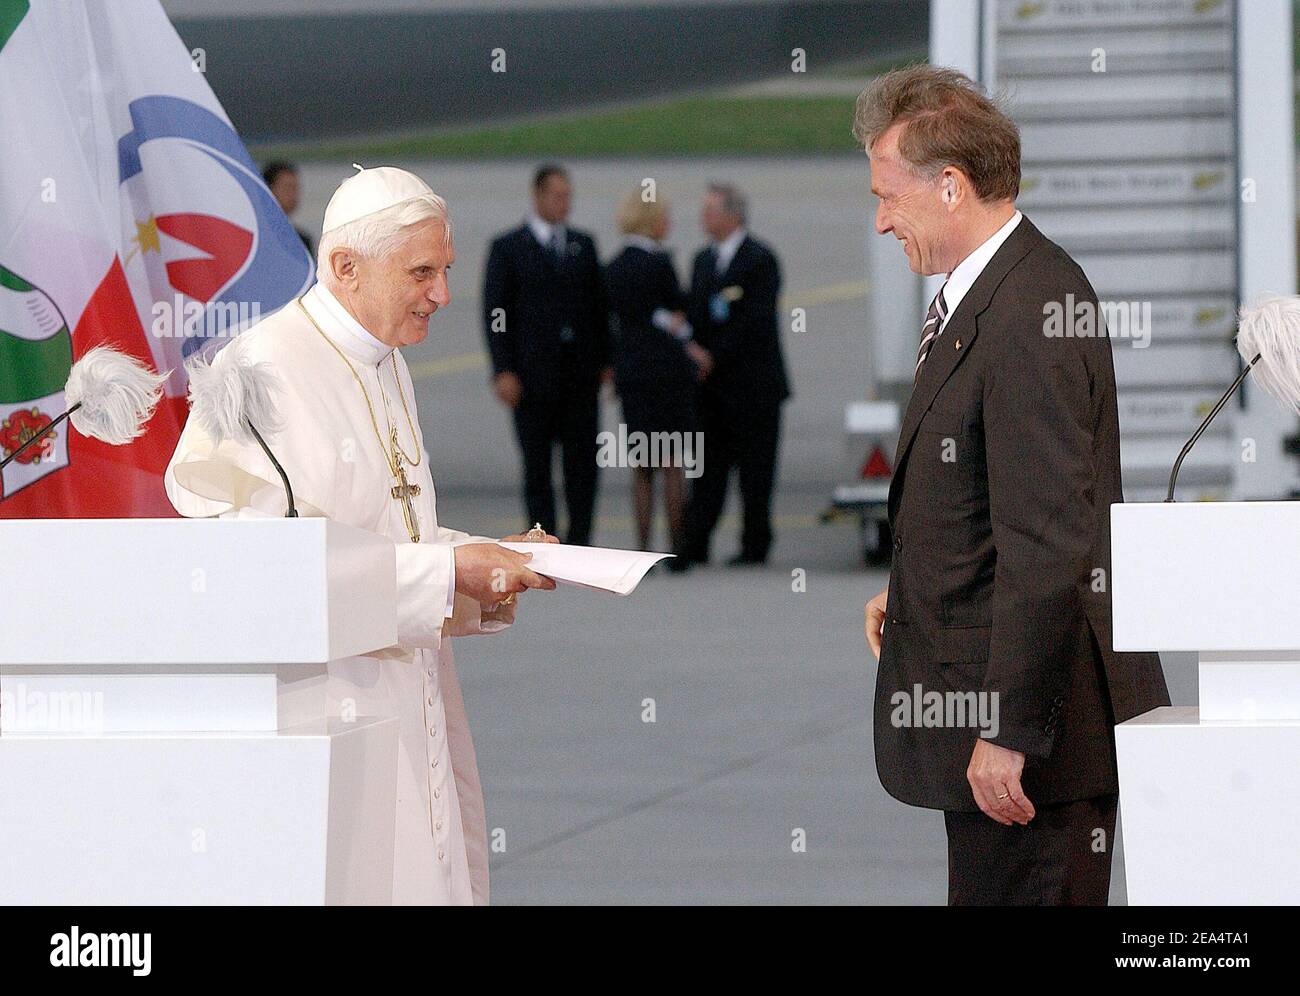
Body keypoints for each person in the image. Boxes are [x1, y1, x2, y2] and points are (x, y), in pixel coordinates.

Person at [165, 166, 558, 905]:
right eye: (422, 272)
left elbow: (385, 529)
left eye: (444, 270)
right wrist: (446, 574)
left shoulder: (384, 363)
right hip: (320, 717)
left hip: (409, 701)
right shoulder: (263, 370)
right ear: (345, 266)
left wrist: (491, 560)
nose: (443, 293)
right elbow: (254, 572)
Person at [856, 66, 1170, 905]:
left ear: (950, 186)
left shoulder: (1029, 310)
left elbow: (1047, 542)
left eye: (889, 195)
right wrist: (913, 590)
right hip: (998, 729)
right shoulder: (992, 297)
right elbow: (986, 500)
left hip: (1036, 752)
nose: (882, 219)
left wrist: (1008, 729)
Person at [482, 164, 612, 546]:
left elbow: (599, 309)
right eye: (557, 195)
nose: (564, 203)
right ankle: (545, 539)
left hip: (579, 378)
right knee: (537, 465)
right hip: (531, 378)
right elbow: (496, 314)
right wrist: (502, 368)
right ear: (537, 196)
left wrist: (606, 362)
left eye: (568, 195)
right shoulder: (508, 248)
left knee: (582, 464)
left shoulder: (582, 245)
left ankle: (581, 540)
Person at [673, 183, 790, 569]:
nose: (703, 218)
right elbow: (696, 313)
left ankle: (756, 543)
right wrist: (692, 351)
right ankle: (695, 540)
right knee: (707, 469)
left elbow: (754, 323)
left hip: (754, 387)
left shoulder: (760, 260)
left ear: (733, 215)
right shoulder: (704, 260)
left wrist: (712, 356)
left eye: (710, 210)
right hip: (712, 390)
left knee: (757, 471)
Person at [604, 189, 711, 551]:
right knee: (672, 462)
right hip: (668, 375)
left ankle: (643, 546)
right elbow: (677, 314)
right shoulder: (659, 263)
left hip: (633, 377)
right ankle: (677, 547)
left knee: (642, 466)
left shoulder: (614, 267)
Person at [262, 160, 313, 254]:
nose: (294, 195)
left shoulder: (301, 241)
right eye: (288, 188)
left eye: (296, 188)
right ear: (268, 189)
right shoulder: (257, 238)